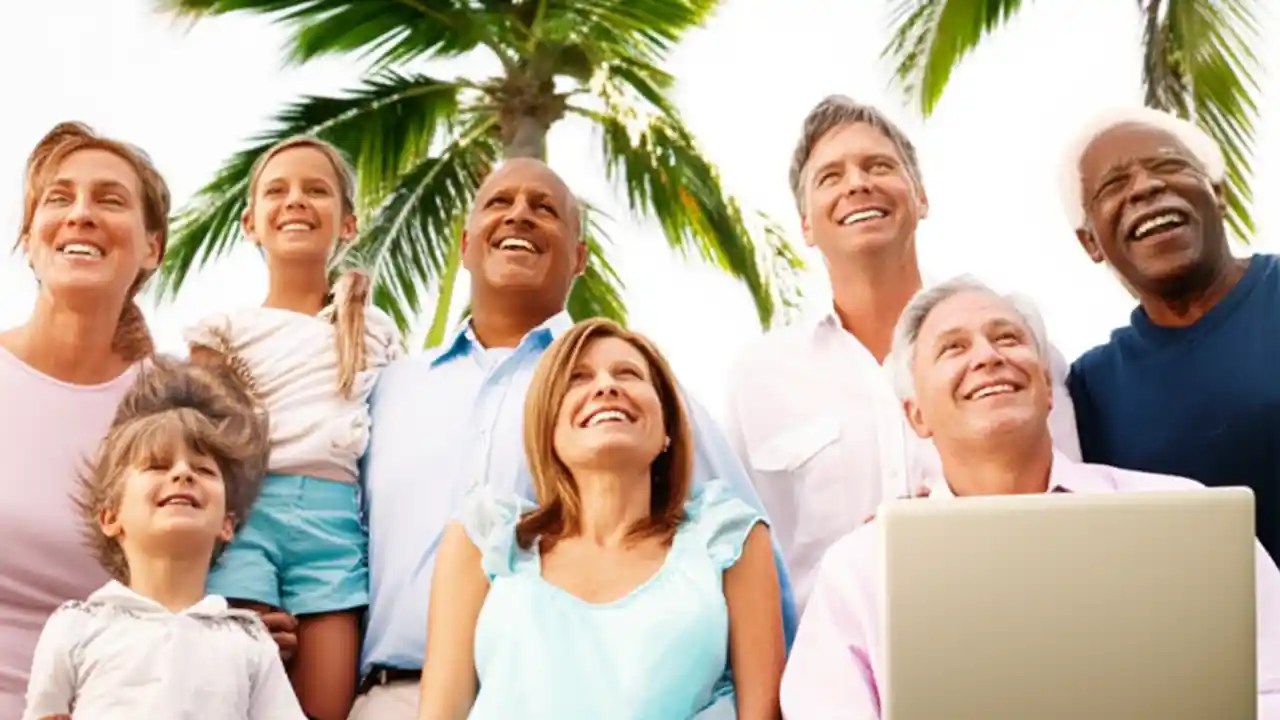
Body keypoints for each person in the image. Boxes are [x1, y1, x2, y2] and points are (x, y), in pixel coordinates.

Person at [352, 158, 795, 719]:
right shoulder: (389, 391)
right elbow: (337, 539)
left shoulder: (646, 400)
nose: (519, 215)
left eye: (544, 209)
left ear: (579, 257)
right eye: (499, 203)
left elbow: (748, 571)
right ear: (465, 245)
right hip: (390, 696)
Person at [779, 276, 1280, 717]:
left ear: (1045, 387)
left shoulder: (1184, 520)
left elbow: (1271, 685)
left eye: (1008, 338)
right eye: (953, 348)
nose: (987, 356)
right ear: (916, 416)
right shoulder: (861, 571)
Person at [723, 96, 1081, 612]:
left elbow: (1069, 499)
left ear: (921, 198)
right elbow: (744, 554)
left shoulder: (1012, 350)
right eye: (830, 177)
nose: (857, 185)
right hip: (825, 672)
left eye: (879, 166)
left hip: (1003, 635)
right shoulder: (758, 379)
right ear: (805, 225)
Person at [417, 318, 785, 718]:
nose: (606, 387)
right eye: (578, 378)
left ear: (667, 429)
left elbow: (762, 713)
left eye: (628, 374)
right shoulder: (486, 540)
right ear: (549, 427)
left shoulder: (728, 538)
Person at [186, 136, 403, 720]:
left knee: (325, 706)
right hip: (245, 520)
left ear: (348, 223)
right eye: (277, 191)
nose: (296, 201)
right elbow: (197, 441)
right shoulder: (223, 330)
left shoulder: (376, 330)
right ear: (250, 222)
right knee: (236, 695)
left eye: (316, 190)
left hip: (335, 532)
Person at [21, 357, 306, 720]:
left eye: (203, 469)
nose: (184, 473)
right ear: (111, 516)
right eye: (158, 465)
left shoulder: (248, 643)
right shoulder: (77, 626)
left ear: (227, 524)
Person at [0, 122, 169, 717]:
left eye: (110, 199)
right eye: (59, 197)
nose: (81, 214)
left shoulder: (175, 409)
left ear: (153, 247)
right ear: (30, 237)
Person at [1061, 106, 1280, 561]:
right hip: (1210, 632)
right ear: (1091, 244)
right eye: (1113, 185)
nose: (1145, 187)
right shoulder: (1091, 387)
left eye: (1168, 166)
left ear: (1217, 194)